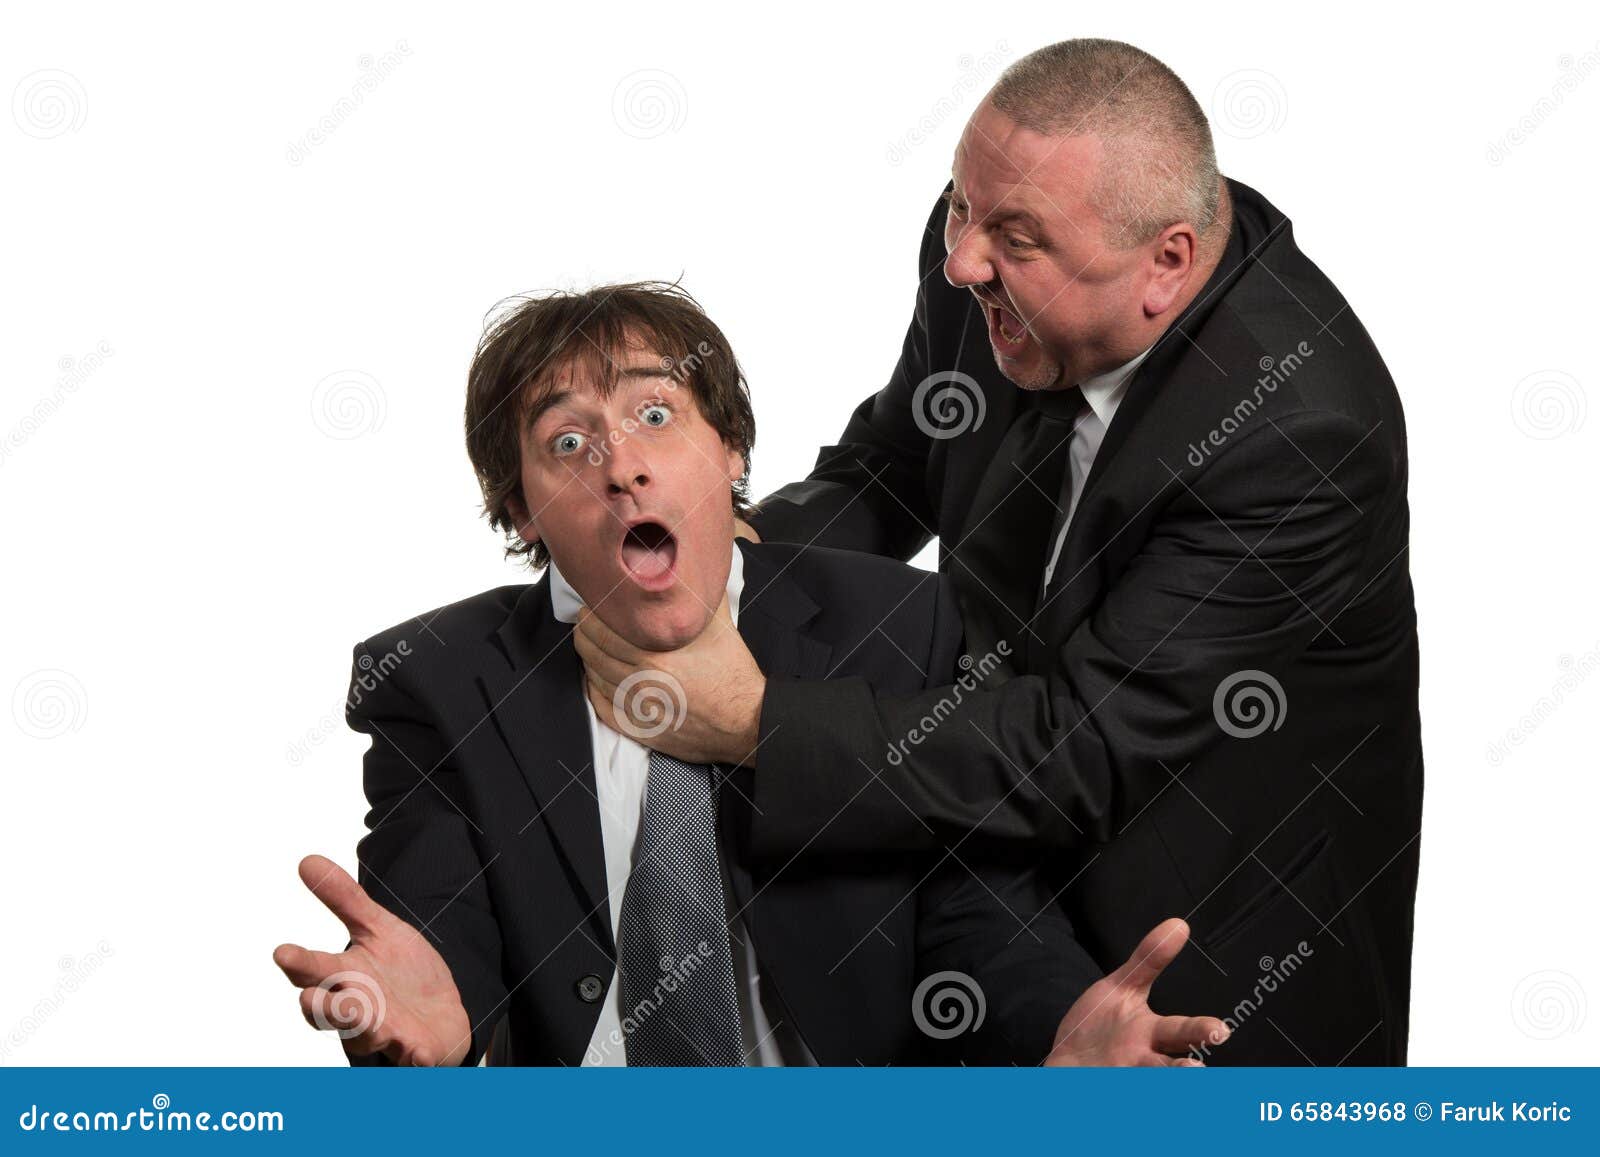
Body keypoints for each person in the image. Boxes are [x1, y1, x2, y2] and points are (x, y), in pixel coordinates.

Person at [575, 40, 1423, 1065]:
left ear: (1167, 263)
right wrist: (725, 566)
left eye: (1011, 238)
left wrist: (756, 722)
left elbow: (1080, 747)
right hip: (974, 884)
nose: (963, 259)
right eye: (960, 209)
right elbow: (895, 462)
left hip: (1199, 943)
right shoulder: (990, 263)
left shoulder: (1297, 432)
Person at [273, 282, 1227, 1066]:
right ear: (520, 510)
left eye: (656, 413)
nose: (622, 466)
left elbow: (975, 909)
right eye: (568, 442)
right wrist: (433, 1043)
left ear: (730, 450)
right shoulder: (439, 681)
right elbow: (434, 959)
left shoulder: (897, 623)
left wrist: (1060, 1025)